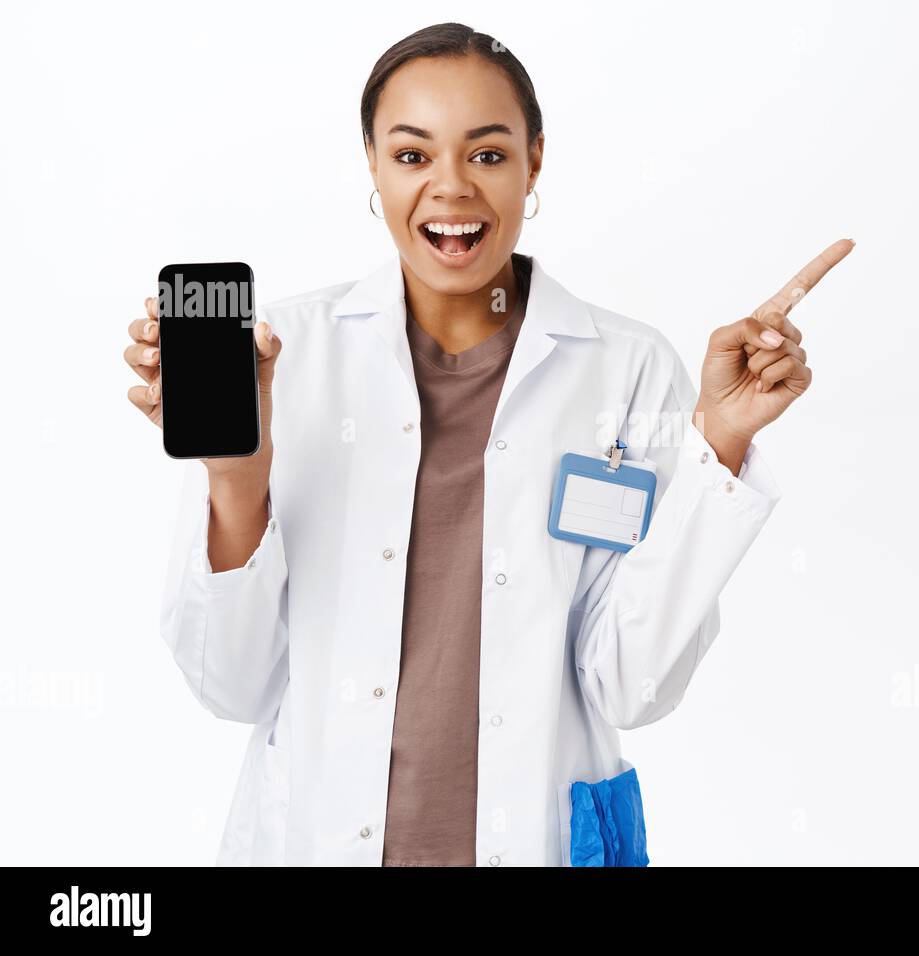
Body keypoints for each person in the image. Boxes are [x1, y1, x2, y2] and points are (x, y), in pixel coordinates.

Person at [124, 22, 852, 866]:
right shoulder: (282, 359)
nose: (451, 189)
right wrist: (237, 478)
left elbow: (631, 684)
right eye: (411, 156)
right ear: (370, 164)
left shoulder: (625, 369)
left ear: (535, 162)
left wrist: (719, 443)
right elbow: (230, 684)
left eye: (488, 154)